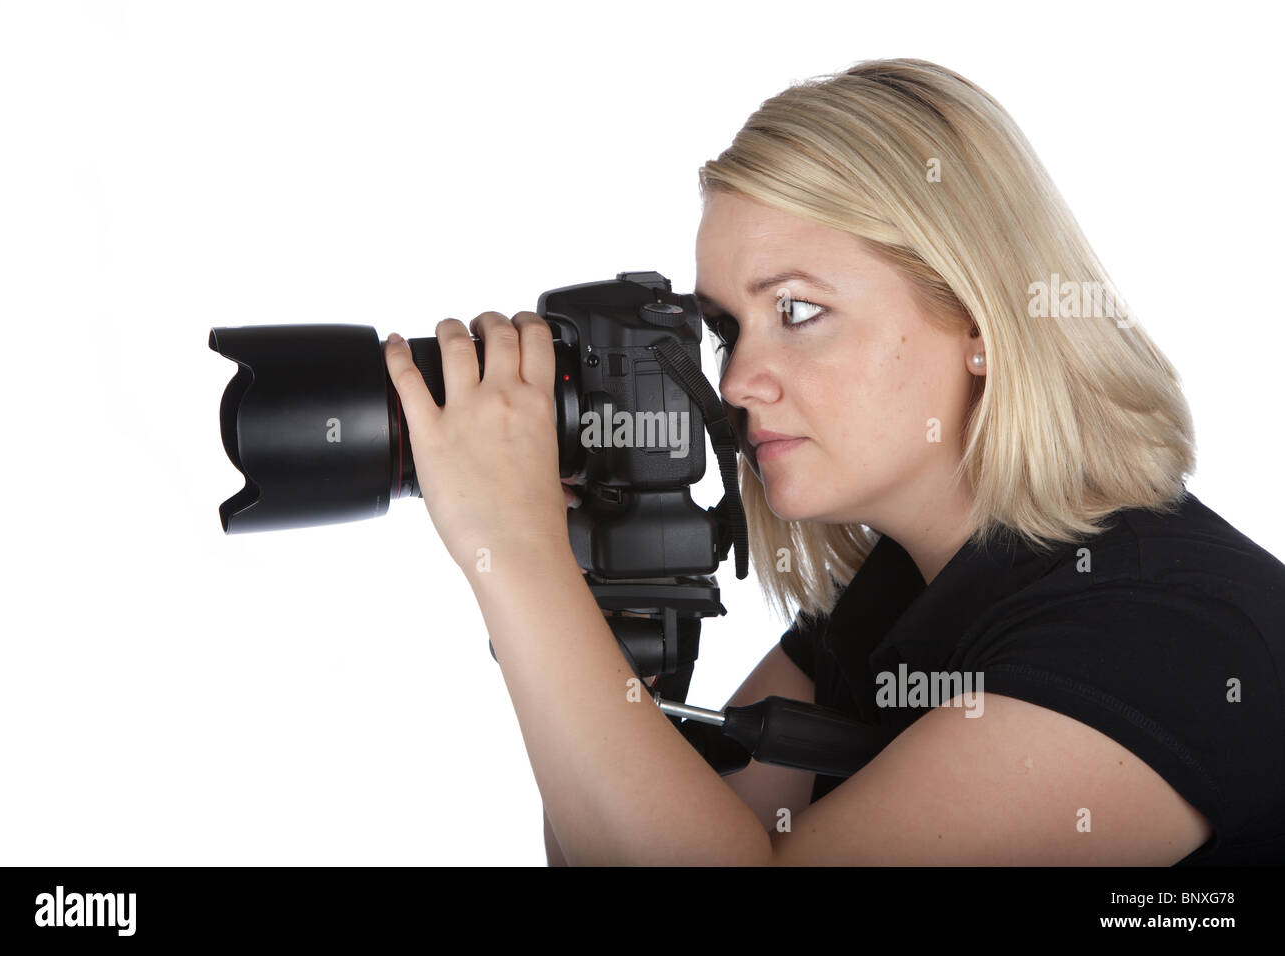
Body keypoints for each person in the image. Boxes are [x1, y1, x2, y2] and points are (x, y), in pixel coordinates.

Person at [384, 58, 1285, 865]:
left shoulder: (1163, 633)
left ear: (981, 322)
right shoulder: (893, 603)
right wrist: (594, 609)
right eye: (728, 329)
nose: (737, 381)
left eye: (800, 312)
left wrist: (515, 549)